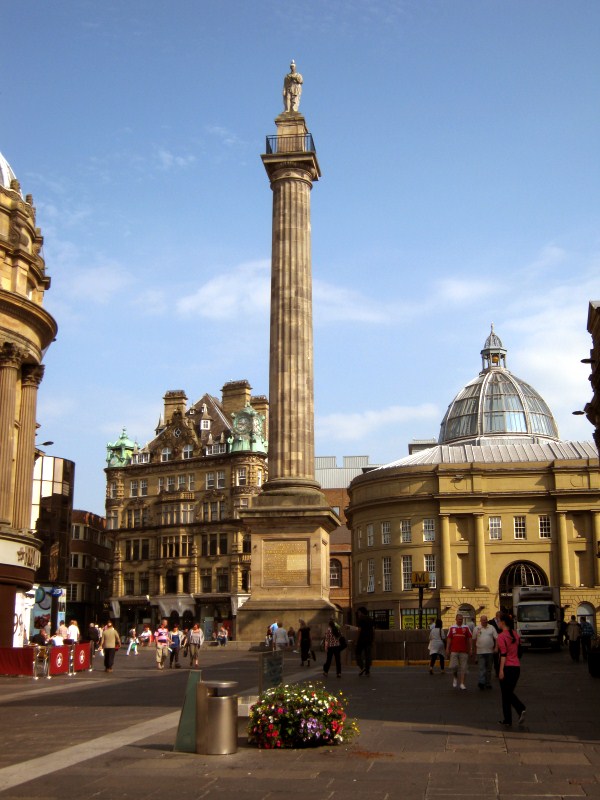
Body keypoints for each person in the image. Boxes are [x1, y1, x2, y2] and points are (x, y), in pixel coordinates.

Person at [497, 613, 526, 727]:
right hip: (516, 667)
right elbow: (519, 652)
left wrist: (500, 670)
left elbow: (503, 654)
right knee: (507, 693)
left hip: (507, 667)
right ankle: (507, 719)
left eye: (499, 621)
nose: (498, 623)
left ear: (503, 622)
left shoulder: (501, 636)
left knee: (507, 693)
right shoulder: (515, 634)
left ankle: (520, 708)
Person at [446, 613, 473, 690]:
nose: (460, 620)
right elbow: (449, 638)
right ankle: (455, 677)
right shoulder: (452, 627)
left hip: (464, 651)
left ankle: (462, 683)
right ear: (456, 619)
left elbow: (470, 638)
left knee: (463, 667)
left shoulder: (466, 627)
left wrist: (471, 648)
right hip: (454, 650)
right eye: (459, 619)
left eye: (461, 619)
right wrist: (447, 648)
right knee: (454, 666)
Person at [473, 614, 498, 690]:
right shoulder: (476, 628)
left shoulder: (491, 627)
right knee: (482, 668)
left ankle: (488, 683)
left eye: (485, 620)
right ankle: (481, 682)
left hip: (490, 651)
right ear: (480, 621)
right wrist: (474, 651)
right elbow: (474, 640)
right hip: (480, 652)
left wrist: (496, 647)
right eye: (483, 620)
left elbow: (497, 638)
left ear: (487, 620)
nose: (484, 621)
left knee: (489, 669)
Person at [355, 606, 375, 677]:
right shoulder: (370, 619)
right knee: (368, 656)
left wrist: (356, 640)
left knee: (357, 654)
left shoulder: (360, 619)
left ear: (361, 612)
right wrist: (372, 640)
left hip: (361, 639)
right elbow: (373, 631)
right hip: (369, 640)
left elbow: (359, 630)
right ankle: (367, 671)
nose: (358, 614)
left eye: (358, 612)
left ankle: (362, 667)